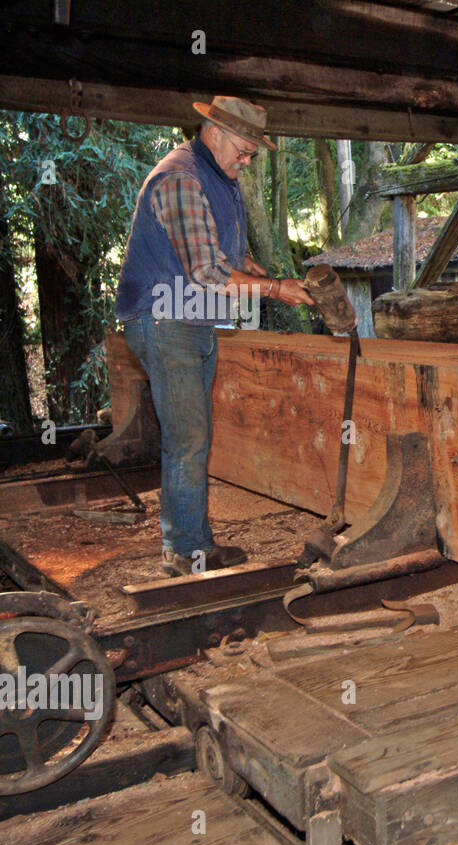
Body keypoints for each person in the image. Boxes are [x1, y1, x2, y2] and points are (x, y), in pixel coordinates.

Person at [114, 96, 315, 578]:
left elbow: (220, 251)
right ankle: (183, 553)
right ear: (214, 132)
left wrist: (252, 267)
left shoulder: (217, 179)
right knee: (187, 438)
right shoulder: (181, 178)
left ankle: (195, 542)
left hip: (192, 321)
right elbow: (205, 272)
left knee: (193, 435)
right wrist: (272, 289)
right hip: (165, 322)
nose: (246, 162)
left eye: (252, 155)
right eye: (243, 150)